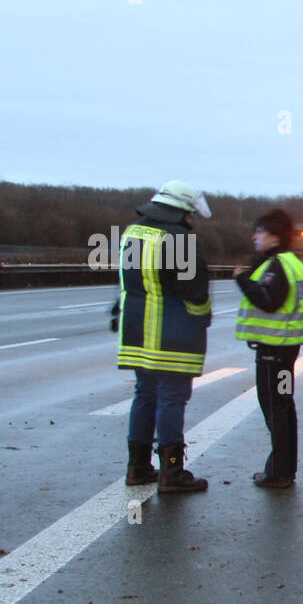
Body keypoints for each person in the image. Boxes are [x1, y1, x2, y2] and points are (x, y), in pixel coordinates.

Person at [117, 179, 213, 494]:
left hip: (136, 332)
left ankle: (138, 467)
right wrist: (202, 319)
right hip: (171, 334)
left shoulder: (134, 232)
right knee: (172, 397)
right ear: (183, 209)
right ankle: (172, 473)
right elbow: (195, 293)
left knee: (144, 394)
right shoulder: (179, 239)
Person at [233, 208, 303, 488]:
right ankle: (282, 469)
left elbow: (268, 300)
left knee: (276, 407)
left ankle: (279, 471)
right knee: (282, 406)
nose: (254, 237)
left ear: (275, 236)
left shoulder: (278, 265)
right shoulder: (291, 262)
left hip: (275, 352)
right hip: (284, 349)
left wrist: (243, 281)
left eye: (260, 231)